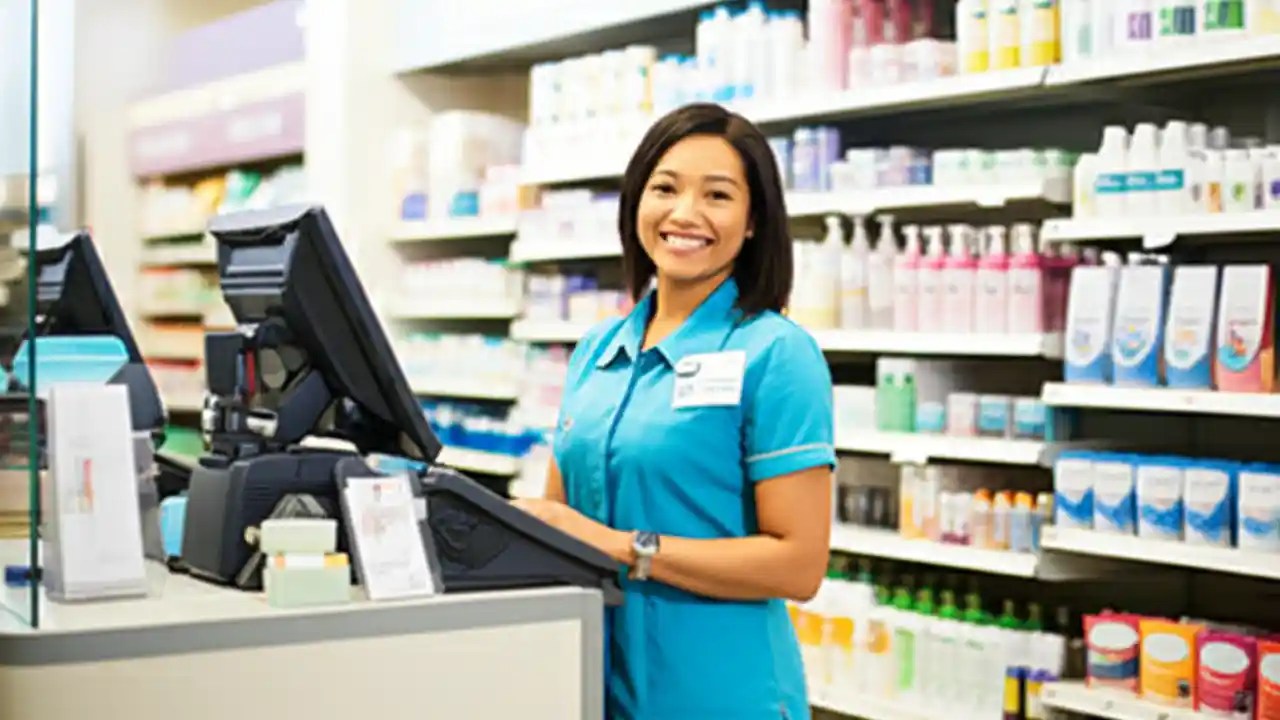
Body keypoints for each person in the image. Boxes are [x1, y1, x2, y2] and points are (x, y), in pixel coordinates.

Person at [513, 102, 835, 720]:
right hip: (591, 685)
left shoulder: (775, 353)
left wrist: (625, 547)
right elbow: (559, 522)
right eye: (665, 188)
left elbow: (799, 564)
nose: (685, 214)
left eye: (717, 195)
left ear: (752, 224)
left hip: (719, 696)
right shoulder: (596, 352)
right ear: (636, 204)